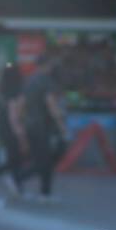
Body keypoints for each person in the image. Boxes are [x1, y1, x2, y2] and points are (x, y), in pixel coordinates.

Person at [21, 52, 68, 202]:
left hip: (30, 124)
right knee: (46, 161)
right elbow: (51, 105)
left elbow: (22, 103)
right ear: (47, 65)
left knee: (41, 160)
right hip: (43, 126)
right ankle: (42, 191)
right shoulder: (46, 81)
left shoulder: (29, 80)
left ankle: (42, 190)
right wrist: (62, 126)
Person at [0, 62, 29, 195]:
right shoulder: (16, 92)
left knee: (14, 158)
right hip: (12, 128)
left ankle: (17, 185)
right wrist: (19, 132)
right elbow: (14, 115)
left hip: (2, 127)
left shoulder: (1, 90)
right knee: (14, 159)